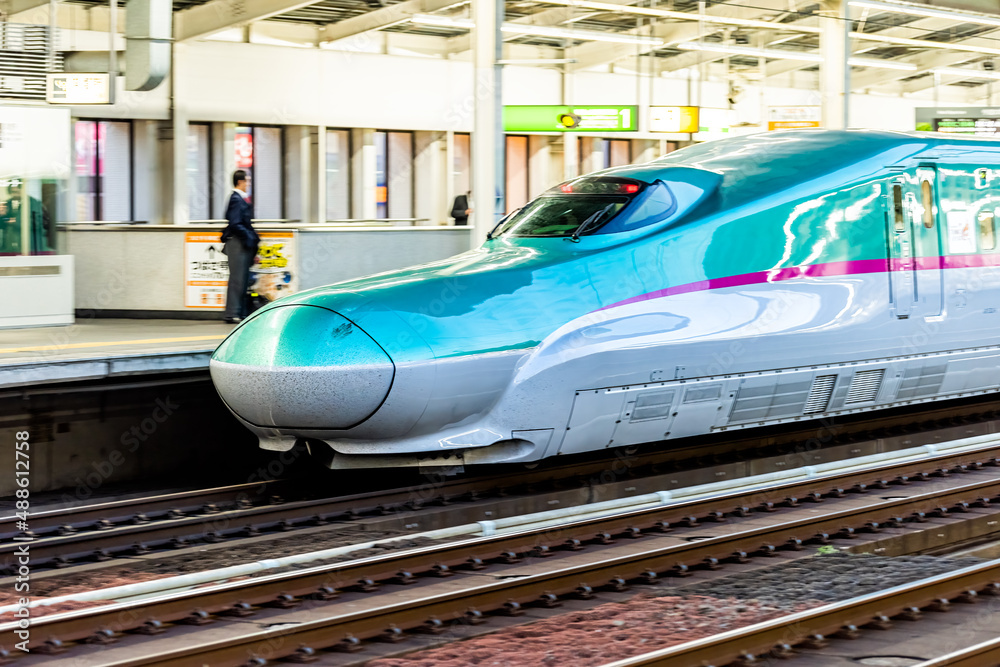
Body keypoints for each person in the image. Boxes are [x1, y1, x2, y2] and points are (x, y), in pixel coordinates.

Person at [221, 170, 260, 323]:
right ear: (240, 182)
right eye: (247, 181)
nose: (248, 184)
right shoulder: (236, 199)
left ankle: (240, 312)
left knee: (242, 278)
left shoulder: (240, 198)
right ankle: (232, 313)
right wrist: (250, 237)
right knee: (237, 279)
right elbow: (235, 223)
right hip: (237, 242)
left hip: (241, 242)